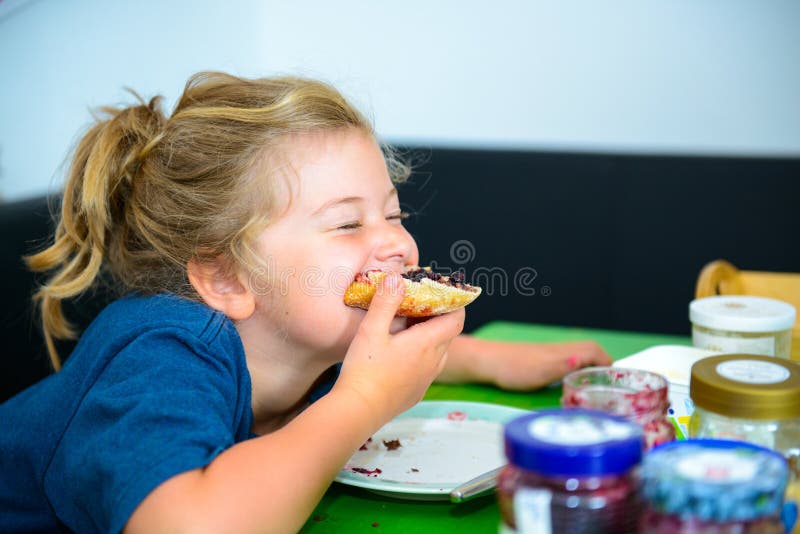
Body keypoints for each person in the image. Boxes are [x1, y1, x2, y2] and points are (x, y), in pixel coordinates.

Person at [0, 72, 610, 533]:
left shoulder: (300, 333)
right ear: (228, 279)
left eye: (394, 213)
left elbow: (367, 356)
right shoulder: (163, 353)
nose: (397, 243)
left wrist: (492, 359)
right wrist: (363, 402)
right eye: (347, 225)